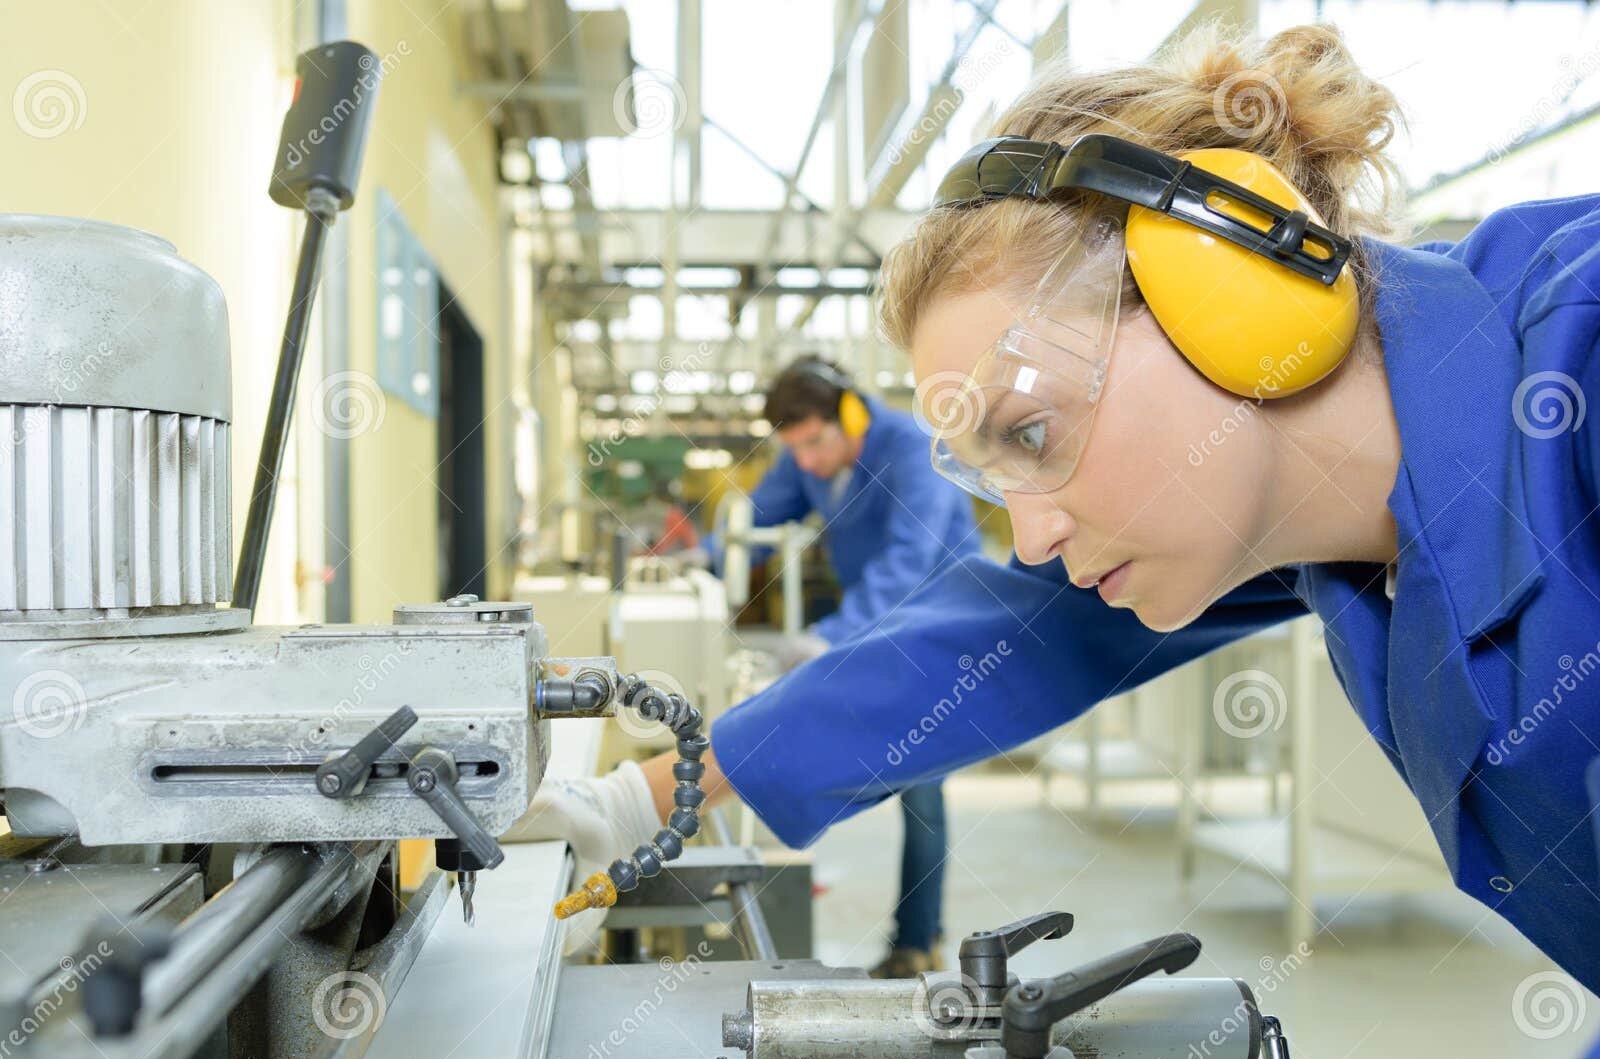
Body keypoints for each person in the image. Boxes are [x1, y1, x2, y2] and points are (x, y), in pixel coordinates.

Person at [531, 23, 1600, 999]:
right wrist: (642, 801)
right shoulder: (1321, 532)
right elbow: (998, 635)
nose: (1033, 533)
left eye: (1030, 434)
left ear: (1227, 283)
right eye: (995, 477)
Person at [710, 357, 981, 974]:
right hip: (877, 624)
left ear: (850, 415)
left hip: (941, 622)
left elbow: (906, 562)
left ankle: (916, 942)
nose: (803, 461)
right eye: (792, 448)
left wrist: (830, 636)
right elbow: (754, 515)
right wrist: (691, 561)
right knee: (896, 769)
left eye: (811, 444)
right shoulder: (807, 460)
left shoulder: (914, 450)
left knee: (922, 782)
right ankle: (914, 937)